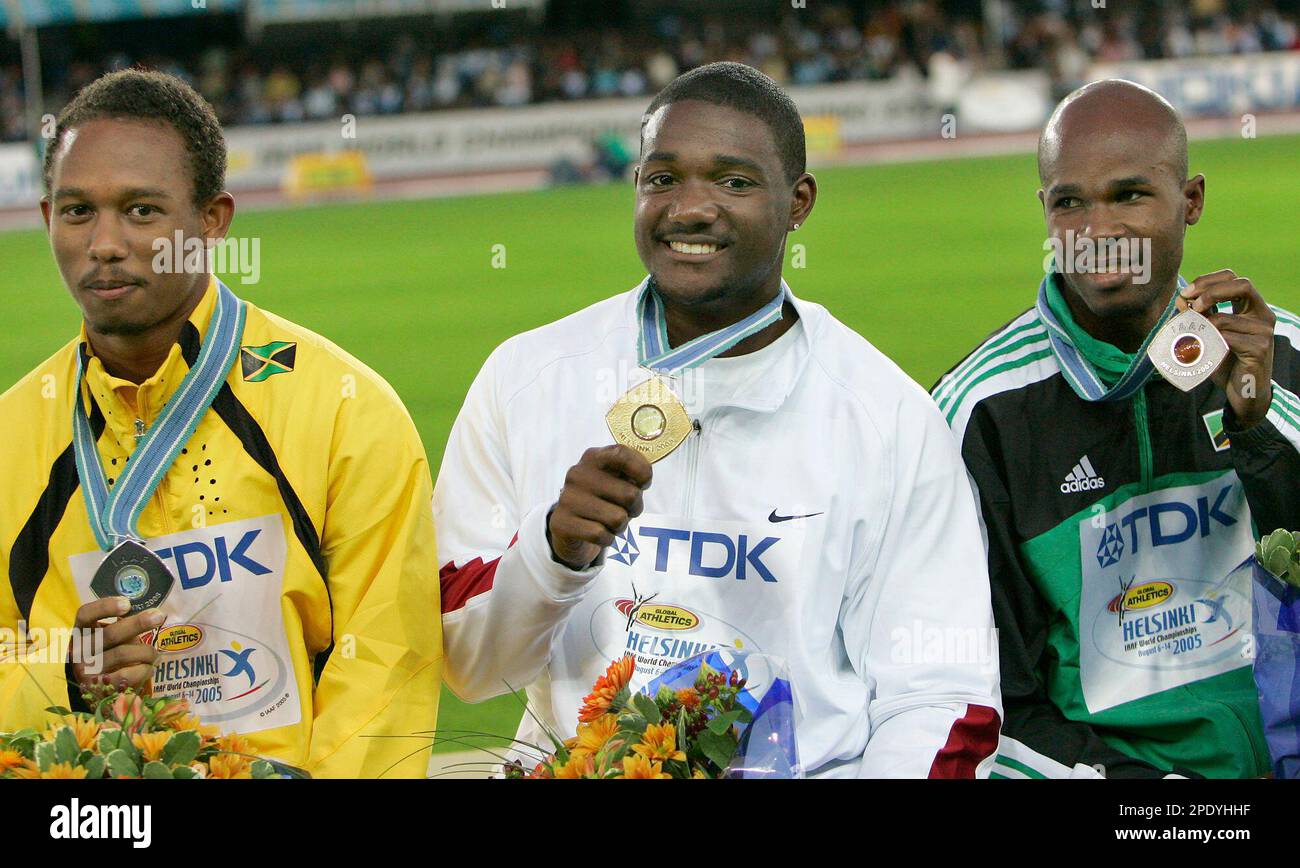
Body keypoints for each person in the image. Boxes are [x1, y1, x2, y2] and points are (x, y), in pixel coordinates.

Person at [435, 62, 1001, 778]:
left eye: (733, 181)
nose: (690, 209)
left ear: (798, 203)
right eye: (662, 178)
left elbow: (939, 693)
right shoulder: (528, 376)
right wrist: (552, 556)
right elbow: (469, 668)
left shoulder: (887, 417)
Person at [0, 70, 442, 777]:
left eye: (142, 211)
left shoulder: (344, 408)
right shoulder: (10, 437)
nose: (105, 242)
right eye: (78, 212)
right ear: (49, 218)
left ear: (212, 220)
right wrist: (65, 678)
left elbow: (388, 664)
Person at [932, 79, 1300, 778]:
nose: (1098, 232)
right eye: (1069, 202)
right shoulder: (980, 412)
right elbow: (988, 695)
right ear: (1044, 211)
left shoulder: (1286, 358)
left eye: (1129, 194)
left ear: (1190, 201)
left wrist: (1261, 435)